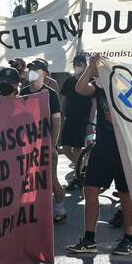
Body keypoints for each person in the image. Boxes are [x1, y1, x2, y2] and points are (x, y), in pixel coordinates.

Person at [66, 54, 132, 256]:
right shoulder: (100, 89)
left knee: (125, 195)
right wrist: (90, 67)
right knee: (89, 190)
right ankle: (89, 239)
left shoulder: (129, 91)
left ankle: (129, 239)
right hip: (102, 147)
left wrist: (119, 121)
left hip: (123, 150)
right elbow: (79, 88)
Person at [24, 58, 67, 224]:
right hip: (27, 146)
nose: (32, 71)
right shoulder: (24, 92)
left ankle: (60, 208)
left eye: (36, 69)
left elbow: (56, 121)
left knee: (50, 178)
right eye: (30, 69)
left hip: (45, 144)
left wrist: (52, 144)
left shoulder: (50, 94)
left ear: (44, 73)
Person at [58, 53, 93, 190]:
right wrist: (61, 113)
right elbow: (64, 99)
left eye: (79, 64)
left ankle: (78, 177)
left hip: (82, 120)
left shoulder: (90, 81)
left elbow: (93, 103)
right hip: (69, 119)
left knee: (77, 149)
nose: (76, 67)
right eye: (75, 64)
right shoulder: (69, 81)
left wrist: (90, 122)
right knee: (65, 148)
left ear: (85, 66)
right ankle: (82, 167)